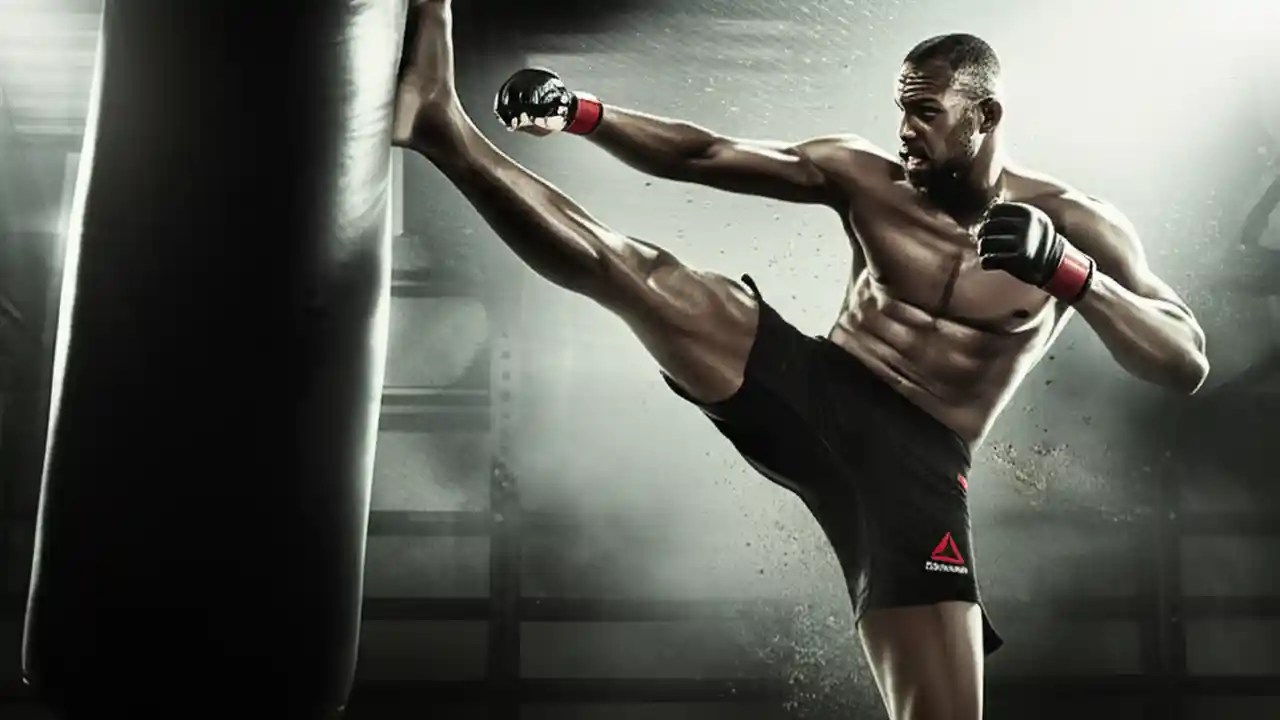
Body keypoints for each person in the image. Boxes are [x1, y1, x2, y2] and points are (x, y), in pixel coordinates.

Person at [392, 2, 1209, 717]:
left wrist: (1071, 273)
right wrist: (581, 112)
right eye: (902, 109)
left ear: (984, 115)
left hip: (918, 467)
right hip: (817, 387)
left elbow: (1185, 360)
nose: (905, 130)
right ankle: (443, 129)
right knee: (640, 274)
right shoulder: (867, 178)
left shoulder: (1078, 225)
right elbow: (704, 155)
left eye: (926, 112)